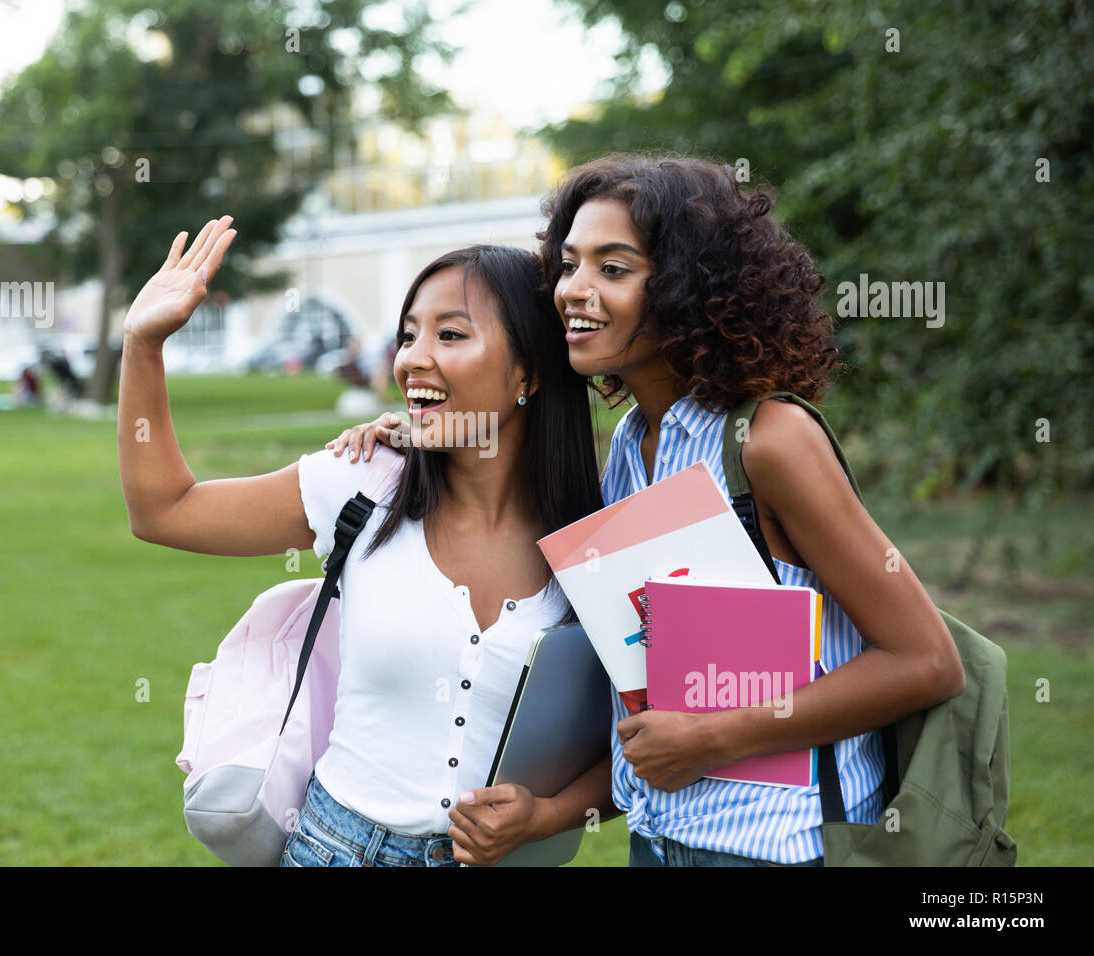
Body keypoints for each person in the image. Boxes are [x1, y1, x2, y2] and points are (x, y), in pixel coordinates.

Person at [328, 153, 966, 866]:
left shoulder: (769, 442)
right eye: (568, 265)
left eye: (614, 267)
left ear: (691, 287)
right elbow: (648, 695)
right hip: (659, 842)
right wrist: (410, 435)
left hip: (783, 848)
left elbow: (925, 661)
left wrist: (717, 737)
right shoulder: (631, 447)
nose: (574, 290)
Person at [117, 215, 615, 866]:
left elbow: (651, 739)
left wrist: (548, 815)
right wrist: (143, 345)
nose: (412, 359)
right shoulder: (364, 482)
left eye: (451, 335)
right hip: (332, 848)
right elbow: (165, 510)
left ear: (530, 373)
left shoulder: (598, 536)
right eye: (408, 336)